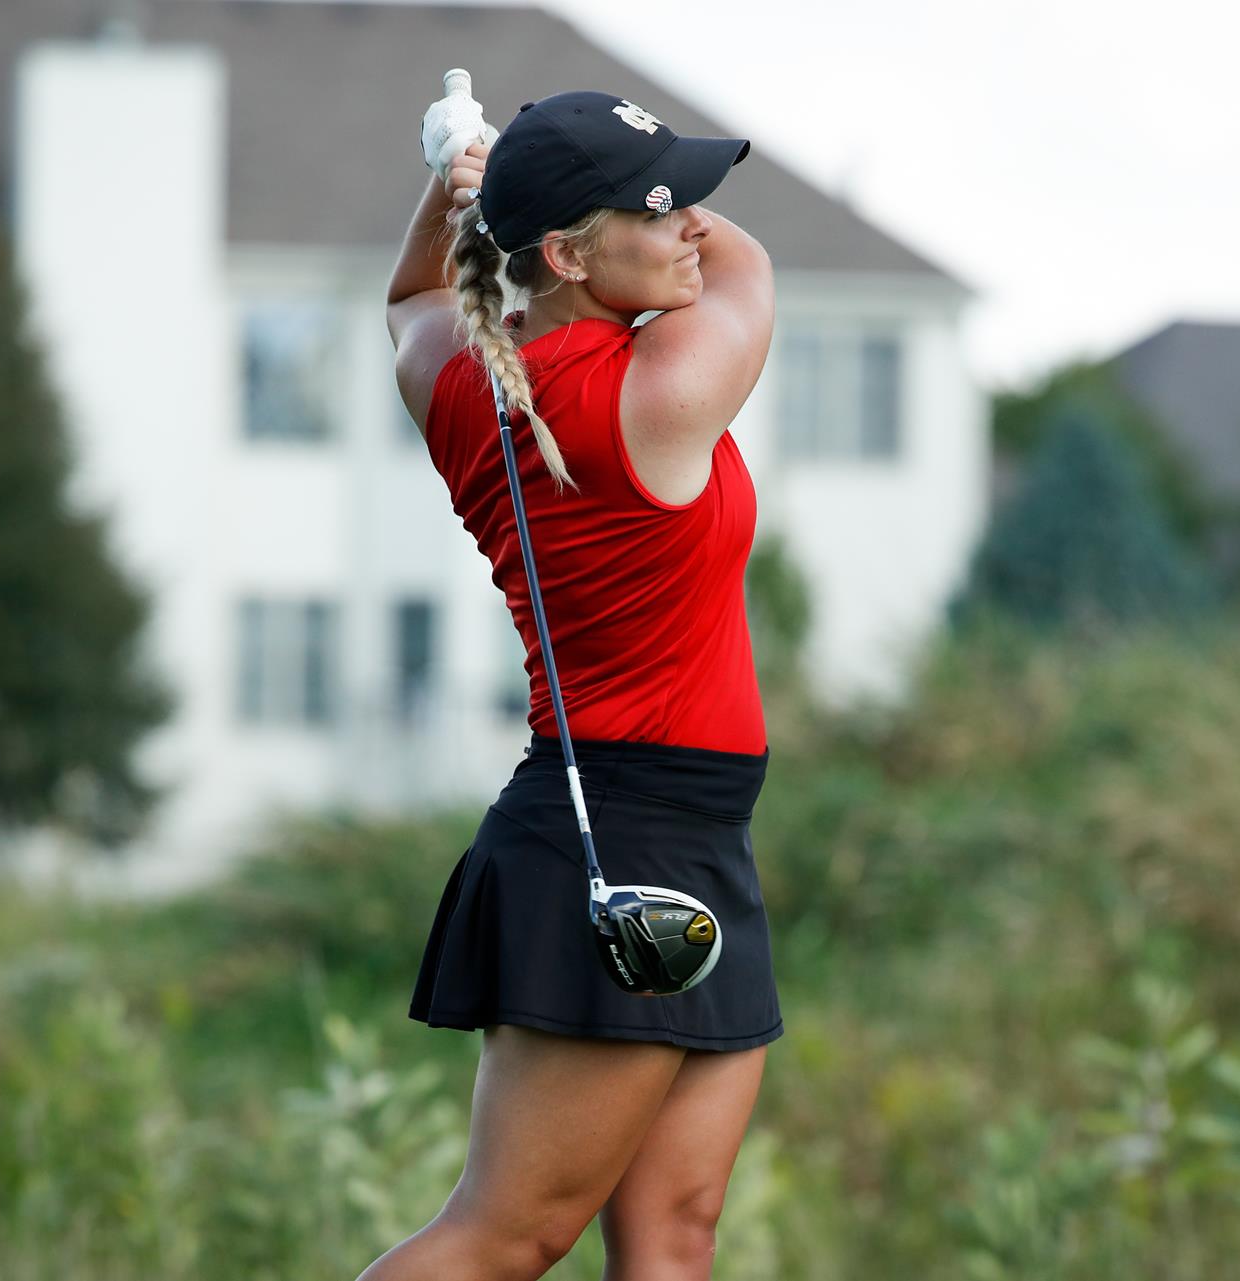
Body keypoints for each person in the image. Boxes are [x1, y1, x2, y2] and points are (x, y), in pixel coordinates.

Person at [360, 89, 780, 1281]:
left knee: (672, 1240)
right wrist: (486, 181)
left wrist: (457, 171)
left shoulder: (455, 379)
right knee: (504, 1239)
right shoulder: (655, 394)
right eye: (663, 208)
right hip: (624, 835)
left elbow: (412, 300)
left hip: (679, 834)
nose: (693, 226)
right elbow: (754, 273)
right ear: (566, 254)